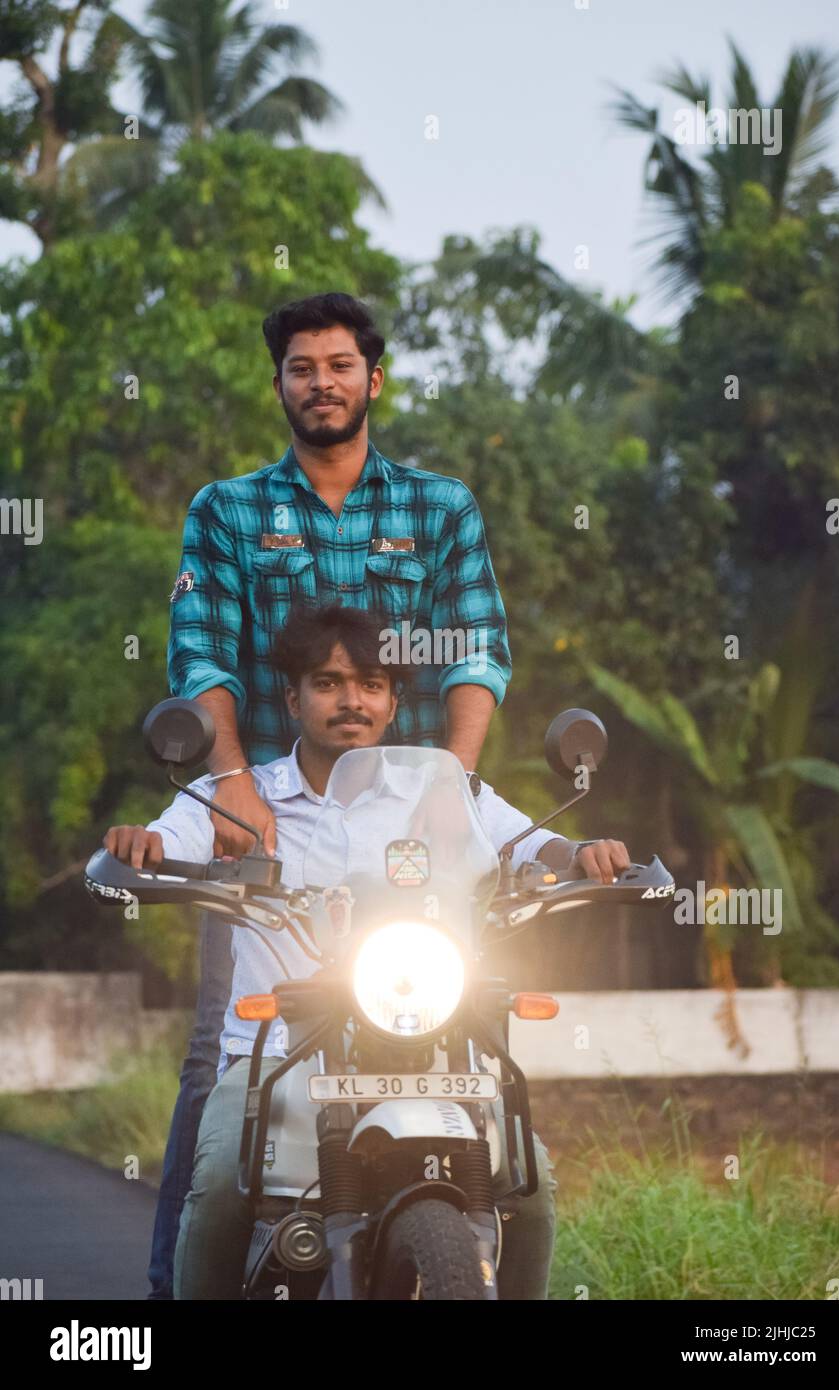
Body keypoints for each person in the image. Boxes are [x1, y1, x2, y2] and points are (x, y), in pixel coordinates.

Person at [148, 292, 513, 1297]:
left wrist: (454, 790)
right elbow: (201, 651)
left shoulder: (438, 507)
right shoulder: (228, 509)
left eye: (339, 364)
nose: (322, 381)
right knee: (225, 1069)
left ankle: (488, 1225)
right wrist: (232, 791)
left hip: (408, 825)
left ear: (372, 379)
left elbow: (475, 647)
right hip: (266, 832)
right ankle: (175, 1286)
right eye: (301, 367)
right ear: (280, 386)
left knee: (472, 1038)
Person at [106, 605, 632, 1300]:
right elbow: (172, 841)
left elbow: (532, 841)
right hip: (276, 1058)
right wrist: (143, 848)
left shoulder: (445, 798)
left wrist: (583, 853)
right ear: (293, 698)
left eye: (372, 684)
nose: (351, 700)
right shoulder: (239, 801)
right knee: (219, 1184)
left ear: (392, 704)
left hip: (435, 1057)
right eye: (328, 683)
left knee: (528, 1189)